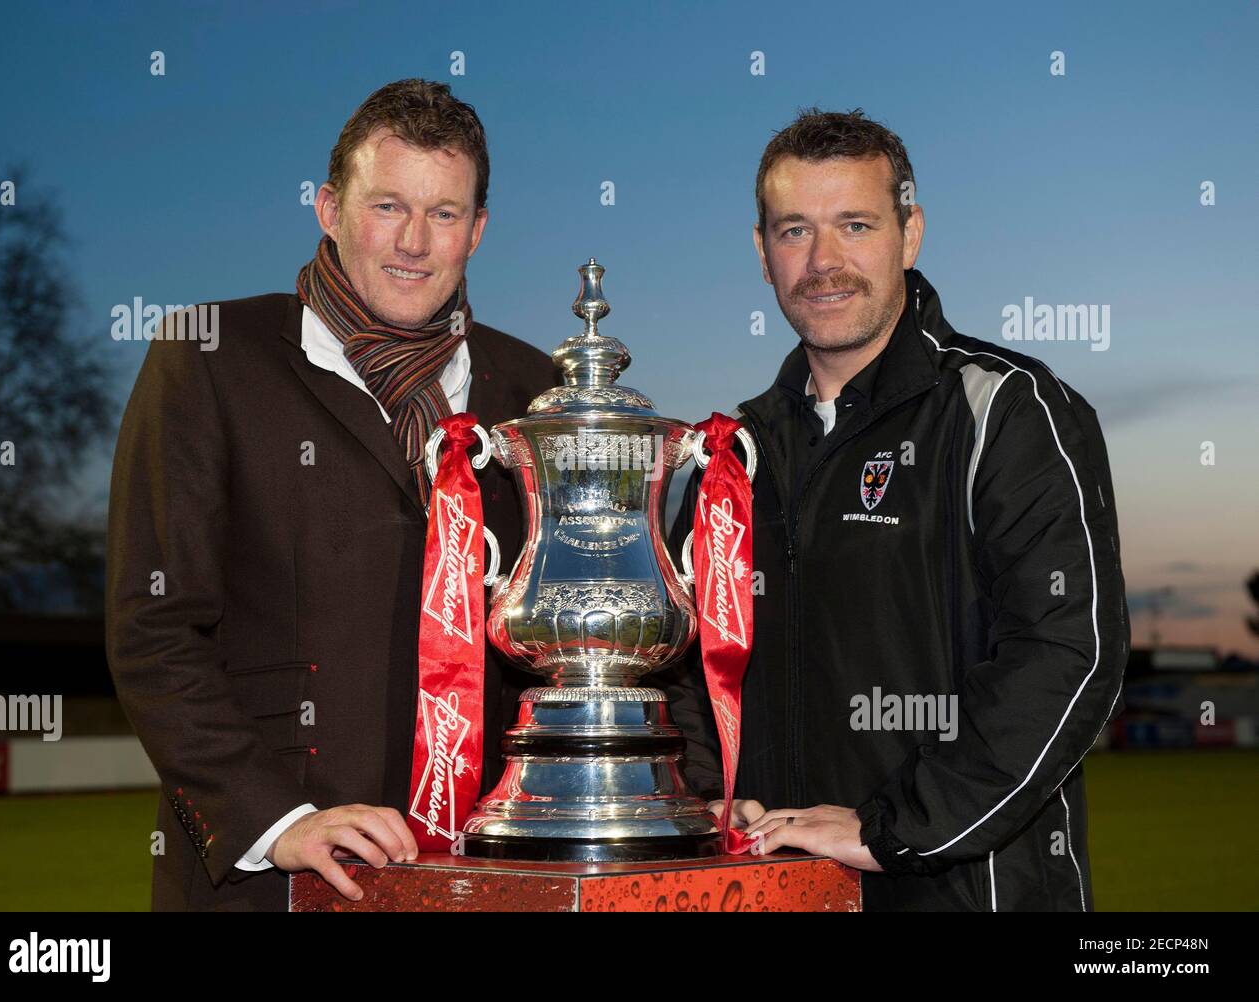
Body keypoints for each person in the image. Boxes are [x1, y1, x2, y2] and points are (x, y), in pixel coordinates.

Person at [106, 79, 555, 911]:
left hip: (496, 873)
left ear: (479, 231)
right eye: (388, 205)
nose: (414, 242)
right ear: (328, 207)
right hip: (272, 879)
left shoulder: (537, 389)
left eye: (445, 214)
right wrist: (277, 821)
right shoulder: (207, 358)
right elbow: (154, 628)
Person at [664, 108, 1128, 911]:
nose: (825, 261)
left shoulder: (1007, 410)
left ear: (910, 234)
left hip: (963, 890)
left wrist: (893, 828)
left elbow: (1068, 655)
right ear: (761, 252)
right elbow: (678, 663)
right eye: (795, 231)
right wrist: (704, 791)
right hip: (769, 886)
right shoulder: (728, 454)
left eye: (855, 224)